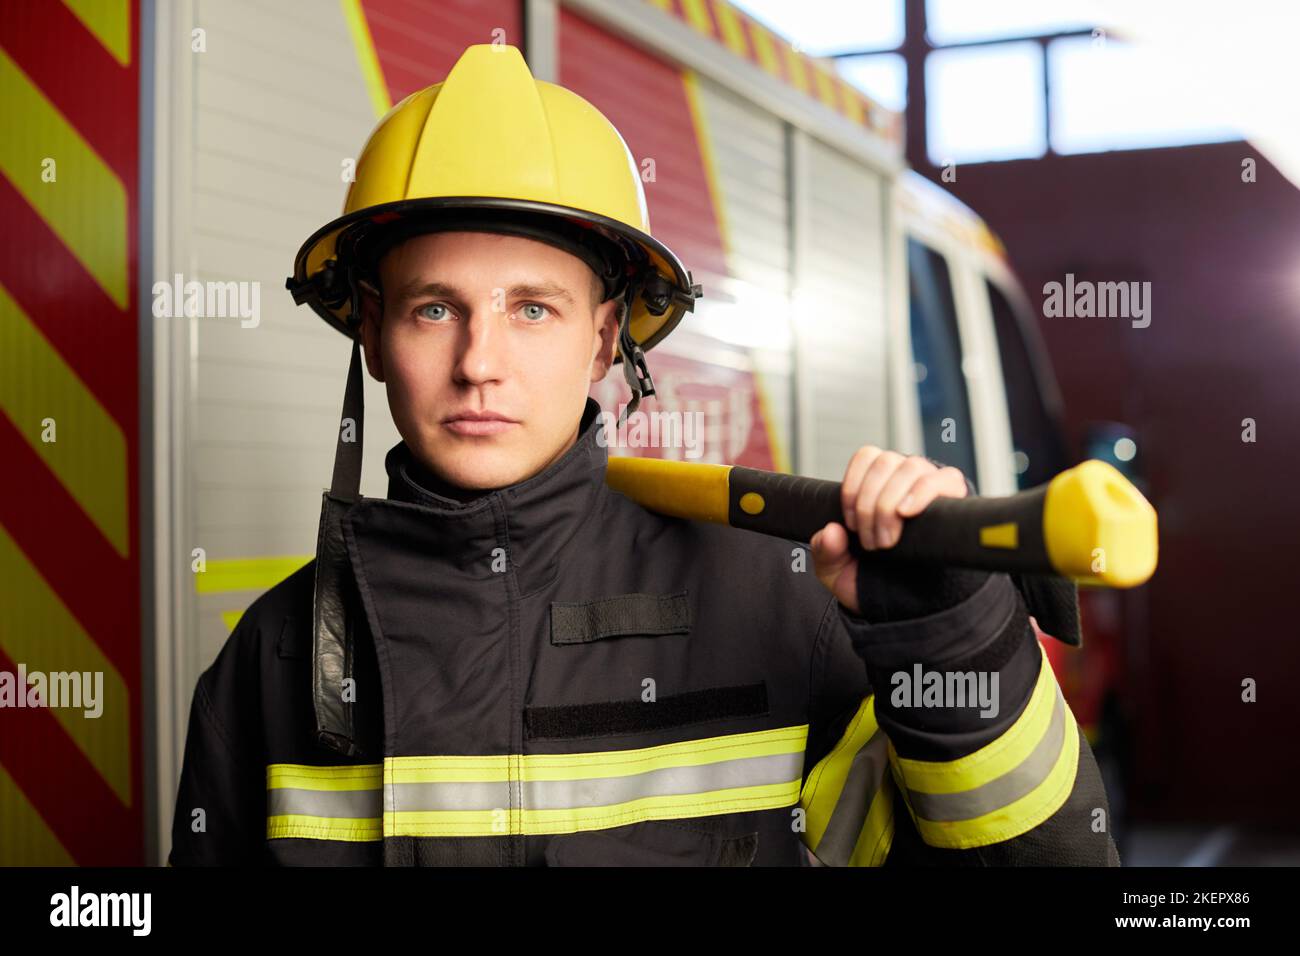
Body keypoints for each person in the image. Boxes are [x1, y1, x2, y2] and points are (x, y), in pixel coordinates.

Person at [168, 43, 1118, 866]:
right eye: (434, 309)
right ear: (373, 334)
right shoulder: (270, 662)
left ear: (602, 337)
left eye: (531, 309)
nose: (479, 364)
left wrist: (946, 645)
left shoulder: (790, 613)